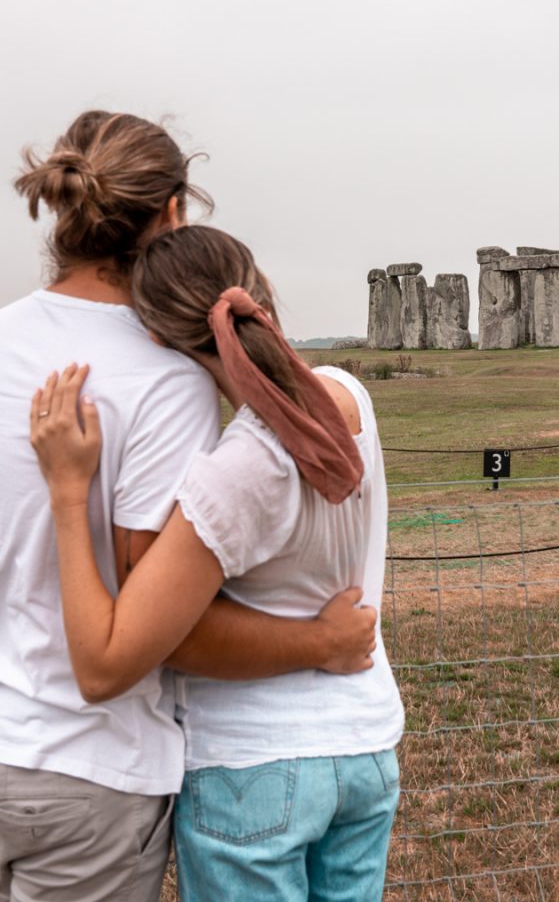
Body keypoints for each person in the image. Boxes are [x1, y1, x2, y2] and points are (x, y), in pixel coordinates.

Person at [0, 113, 376, 902]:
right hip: (90, 768)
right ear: (171, 214)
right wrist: (320, 641)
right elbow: (155, 628)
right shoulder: (172, 384)